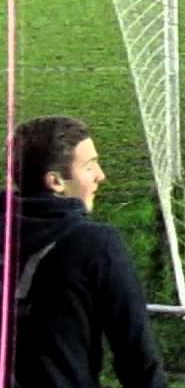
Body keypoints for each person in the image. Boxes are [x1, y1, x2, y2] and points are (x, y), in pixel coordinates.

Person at [5, 115, 168, 387]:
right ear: (55, 181)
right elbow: (135, 351)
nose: (101, 176)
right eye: (90, 166)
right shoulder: (95, 245)